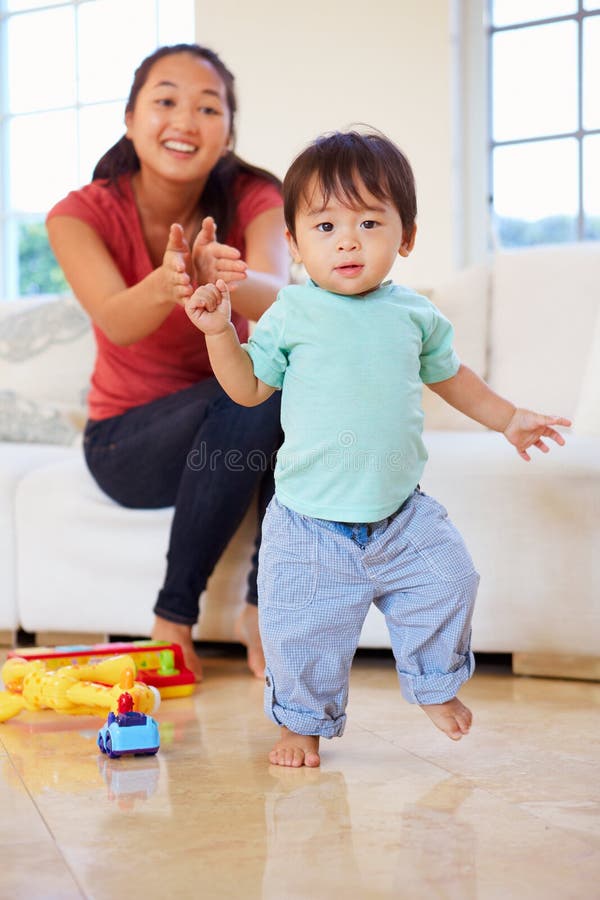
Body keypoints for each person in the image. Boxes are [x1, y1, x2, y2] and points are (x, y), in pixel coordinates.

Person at [182, 129, 571, 767]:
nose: (348, 241)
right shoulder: (290, 312)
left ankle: (434, 685)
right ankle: (301, 728)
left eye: (369, 222)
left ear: (406, 237)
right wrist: (220, 330)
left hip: (399, 513)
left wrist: (509, 419)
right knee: (302, 632)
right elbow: (249, 389)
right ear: (296, 245)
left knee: (452, 578)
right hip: (310, 521)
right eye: (326, 225)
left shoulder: (414, 315)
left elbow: (454, 379)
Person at [46, 44, 290, 682]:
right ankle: (173, 619)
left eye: (208, 107)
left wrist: (229, 278)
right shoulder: (78, 214)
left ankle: (261, 609)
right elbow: (118, 322)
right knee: (245, 394)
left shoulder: (255, 192)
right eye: (165, 100)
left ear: (228, 131)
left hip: (236, 422)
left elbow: (286, 298)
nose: (185, 119)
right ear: (130, 118)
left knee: (277, 386)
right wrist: (169, 282)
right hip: (128, 446)